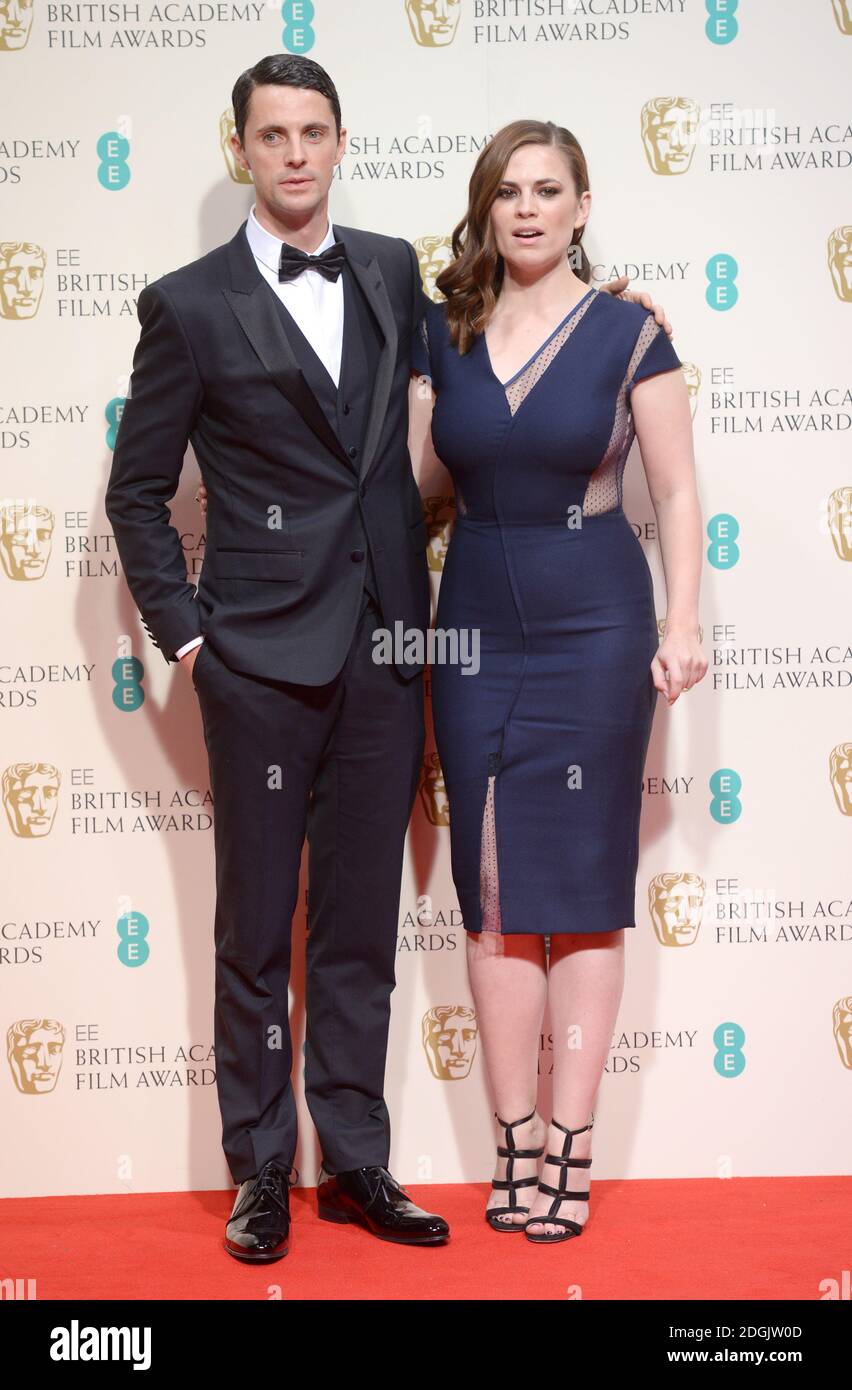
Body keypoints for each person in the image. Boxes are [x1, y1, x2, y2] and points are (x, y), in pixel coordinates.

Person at [131, 56, 668, 1261]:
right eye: (272, 135)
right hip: (257, 658)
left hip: (388, 648)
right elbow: (136, 495)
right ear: (243, 151)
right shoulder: (187, 303)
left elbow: (513, 350)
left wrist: (628, 317)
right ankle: (261, 1170)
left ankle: (356, 1158)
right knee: (257, 928)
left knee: (361, 926)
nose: (296, 154)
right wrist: (190, 634)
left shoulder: (389, 272)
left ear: (338, 140)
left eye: (315, 131)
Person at [408, 119, 707, 1243]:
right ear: (486, 212)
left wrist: (679, 623)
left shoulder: (634, 333)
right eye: (507, 193)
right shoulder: (449, 335)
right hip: (476, 621)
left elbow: (675, 494)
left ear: (583, 207)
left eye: (548, 191)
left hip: (595, 621)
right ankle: (514, 1139)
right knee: (490, 904)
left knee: (579, 894)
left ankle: (572, 1146)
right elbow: (418, 479)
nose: (526, 209)